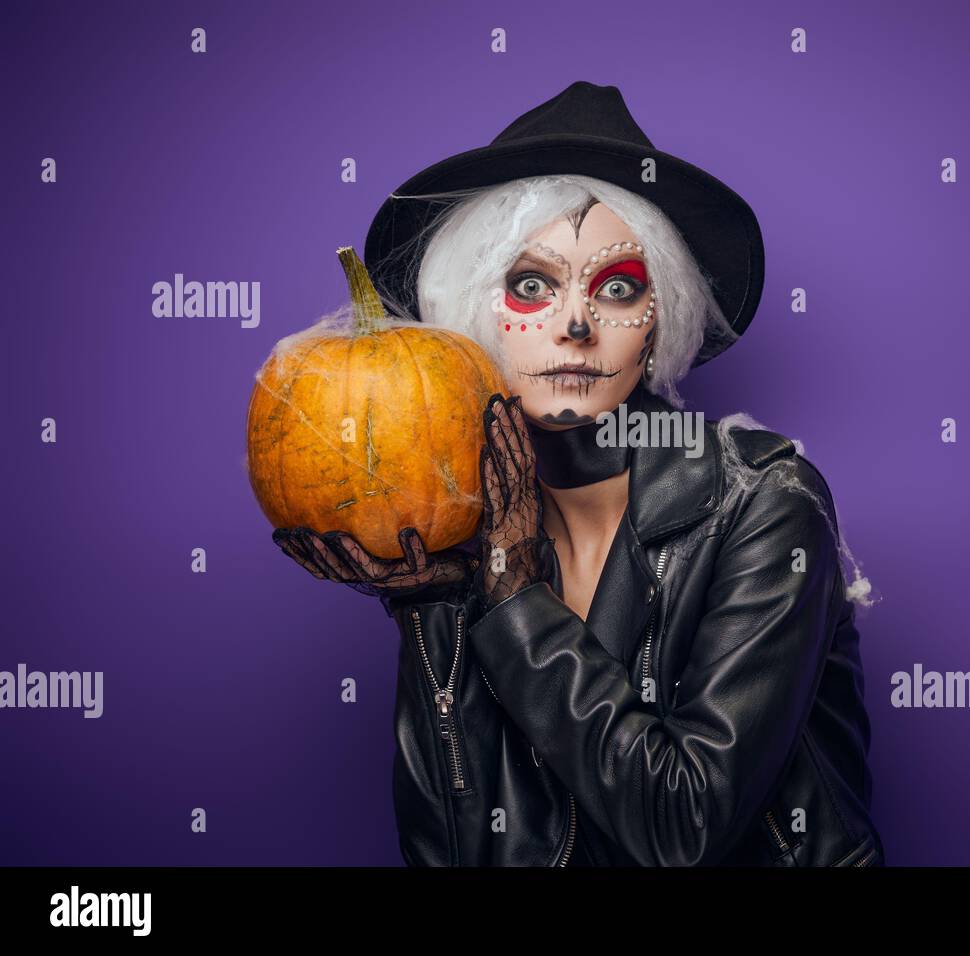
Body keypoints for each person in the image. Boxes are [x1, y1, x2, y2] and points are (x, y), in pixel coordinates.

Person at [273, 81, 885, 866]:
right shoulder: (468, 538)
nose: (574, 323)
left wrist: (516, 604)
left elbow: (684, 829)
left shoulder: (763, 506)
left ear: (657, 324)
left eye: (617, 288)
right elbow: (454, 852)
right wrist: (434, 614)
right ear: (472, 311)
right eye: (531, 285)